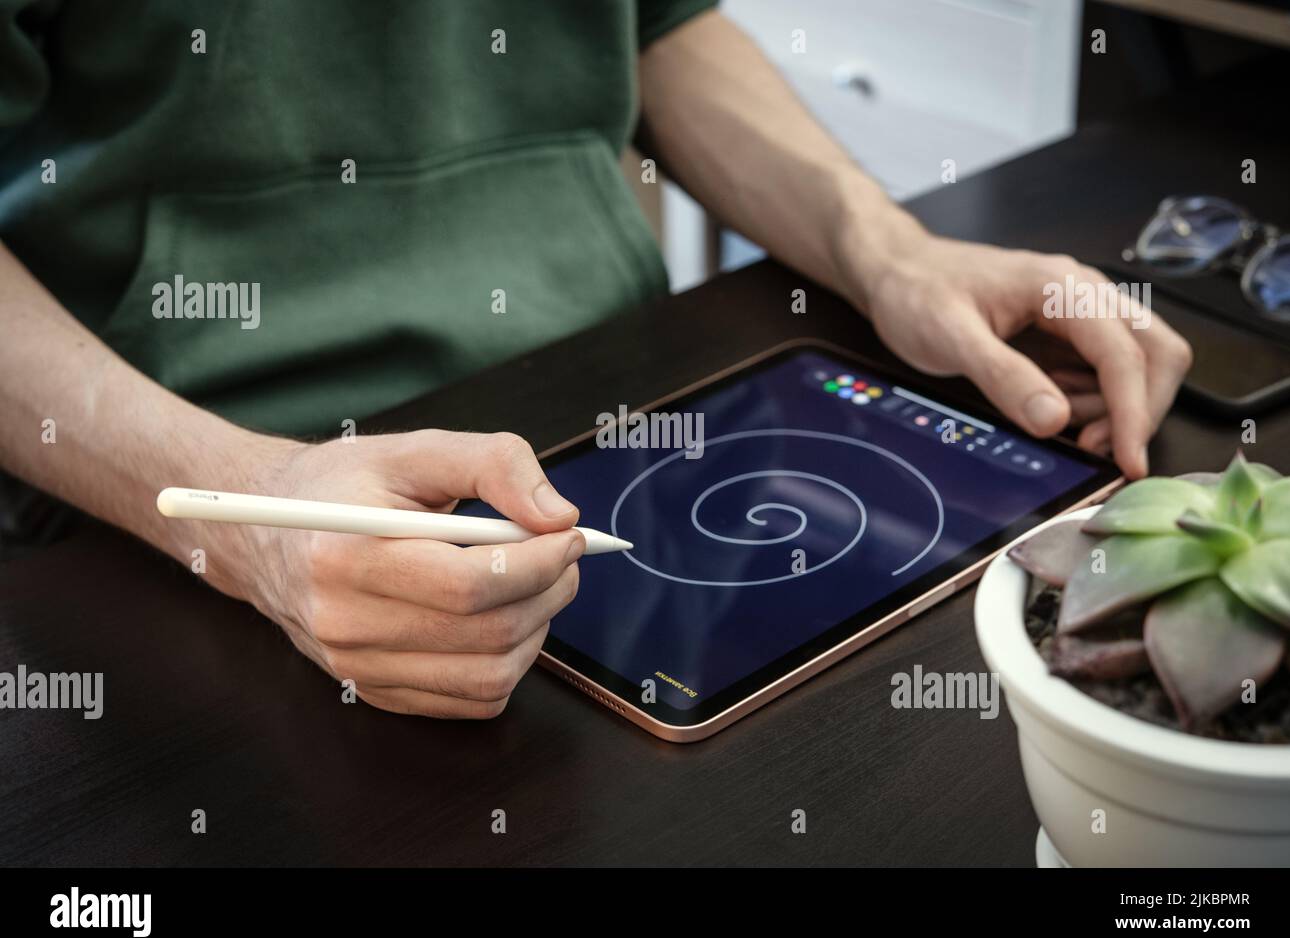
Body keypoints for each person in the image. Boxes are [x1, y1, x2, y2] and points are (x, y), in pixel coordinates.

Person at [0, 2, 1191, 718]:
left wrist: (889, 253)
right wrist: (249, 517)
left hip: (623, 396)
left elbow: (659, 24)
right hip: (173, 493)